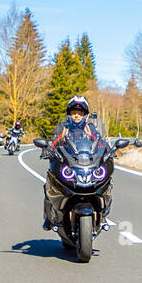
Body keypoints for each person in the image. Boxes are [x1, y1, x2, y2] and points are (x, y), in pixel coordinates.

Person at [42, 96, 110, 230]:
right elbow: (52, 142)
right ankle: (49, 217)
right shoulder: (63, 126)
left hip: (87, 164)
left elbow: (102, 143)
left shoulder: (90, 128)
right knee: (49, 183)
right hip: (67, 164)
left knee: (105, 182)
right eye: (74, 113)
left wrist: (109, 151)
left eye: (80, 113)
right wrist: (48, 148)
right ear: (69, 114)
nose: (77, 115)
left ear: (85, 115)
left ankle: (103, 214)